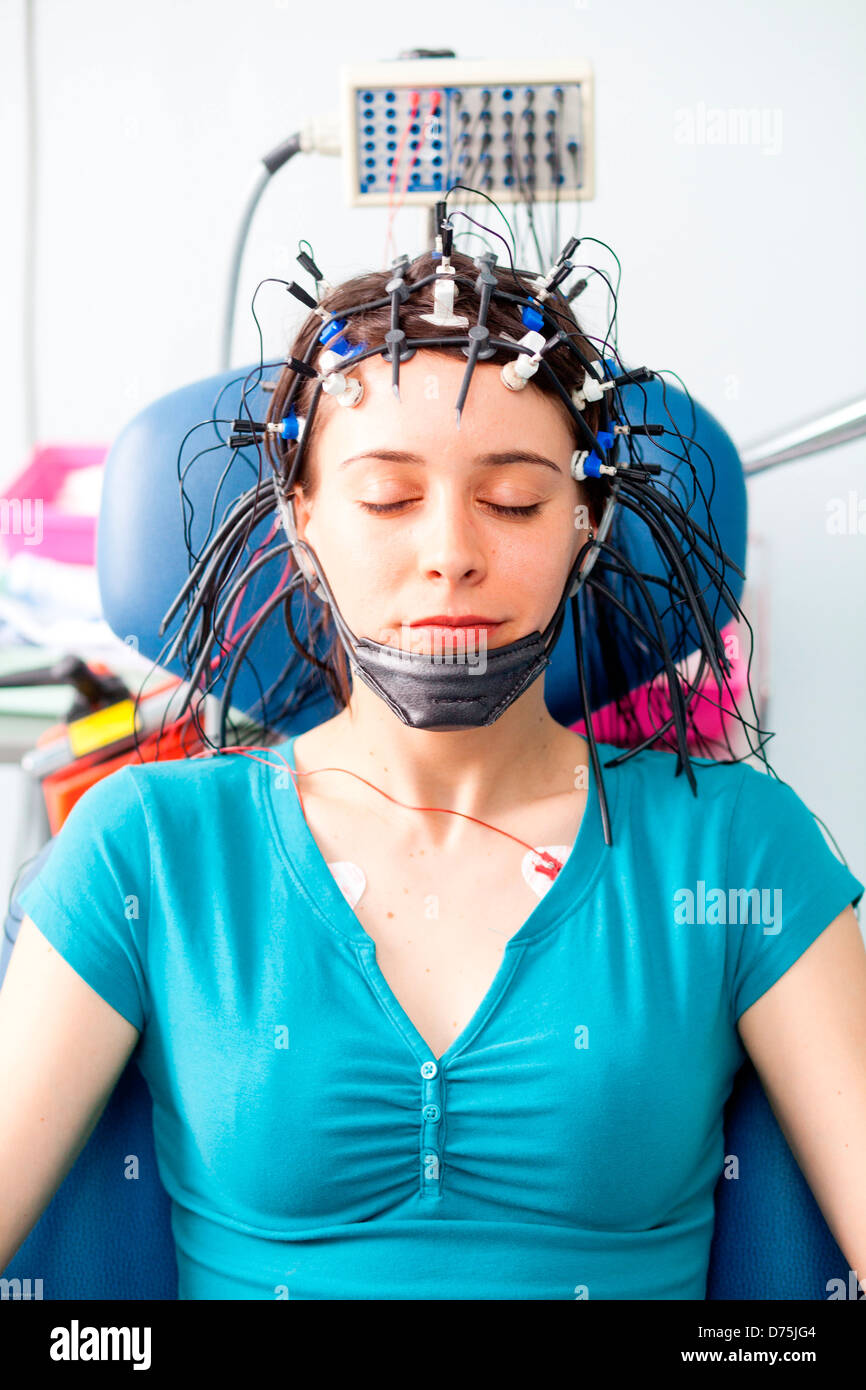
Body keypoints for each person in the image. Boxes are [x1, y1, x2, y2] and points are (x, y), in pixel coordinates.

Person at [1, 239, 864, 1302]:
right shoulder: (148, 847)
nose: (450, 551)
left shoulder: (735, 848)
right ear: (300, 522)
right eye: (384, 499)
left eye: (511, 501)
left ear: (585, 526)